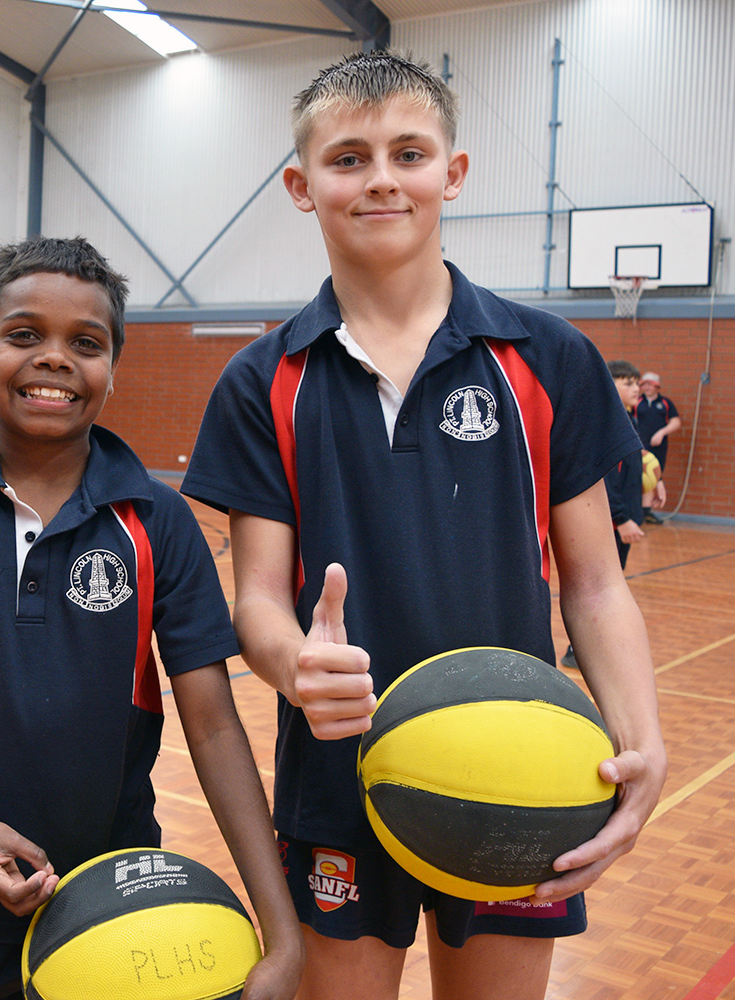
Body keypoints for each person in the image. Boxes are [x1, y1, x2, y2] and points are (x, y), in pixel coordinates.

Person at [180, 51, 666, 1000]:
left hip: (520, 769)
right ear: (300, 185)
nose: (380, 179)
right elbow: (260, 599)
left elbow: (596, 580)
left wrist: (641, 739)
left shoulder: (547, 358)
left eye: (409, 153)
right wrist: (292, 666)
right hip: (336, 784)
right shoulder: (260, 381)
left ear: (453, 172)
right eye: (348, 158)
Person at [0, 236, 303, 1000]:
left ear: (113, 366)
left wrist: (280, 935)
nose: (54, 359)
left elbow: (215, 728)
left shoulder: (158, 520)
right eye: (24, 335)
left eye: (84, 343)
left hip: (121, 907)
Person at [561, 359, 651, 670]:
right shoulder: (602, 423)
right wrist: (622, 517)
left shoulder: (628, 419)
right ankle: (578, 649)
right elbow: (604, 480)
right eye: (628, 383)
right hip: (609, 523)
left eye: (637, 383)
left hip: (623, 517)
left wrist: (657, 481)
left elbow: (634, 464)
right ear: (609, 386)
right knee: (598, 588)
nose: (636, 388)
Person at [634, 371, 680, 523]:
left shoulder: (665, 403)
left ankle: (646, 511)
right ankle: (637, 511)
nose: (646, 388)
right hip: (639, 448)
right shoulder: (637, 402)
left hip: (658, 448)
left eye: (650, 385)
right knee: (638, 477)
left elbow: (676, 422)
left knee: (653, 477)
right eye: (644, 385)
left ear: (657, 386)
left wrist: (661, 432)